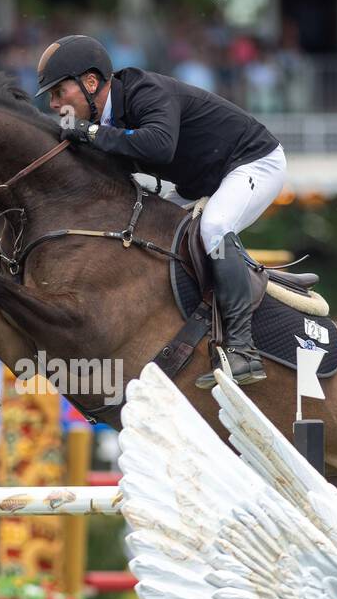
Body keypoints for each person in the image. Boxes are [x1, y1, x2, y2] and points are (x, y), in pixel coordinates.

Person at [35, 34, 290, 387]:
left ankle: (243, 350)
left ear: (90, 83)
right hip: (202, 182)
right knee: (143, 230)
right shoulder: (102, 119)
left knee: (214, 228)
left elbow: (158, 147)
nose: (52, 103)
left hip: (253, 162)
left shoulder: (144, 91)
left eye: (58, 92)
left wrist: (89, 133)